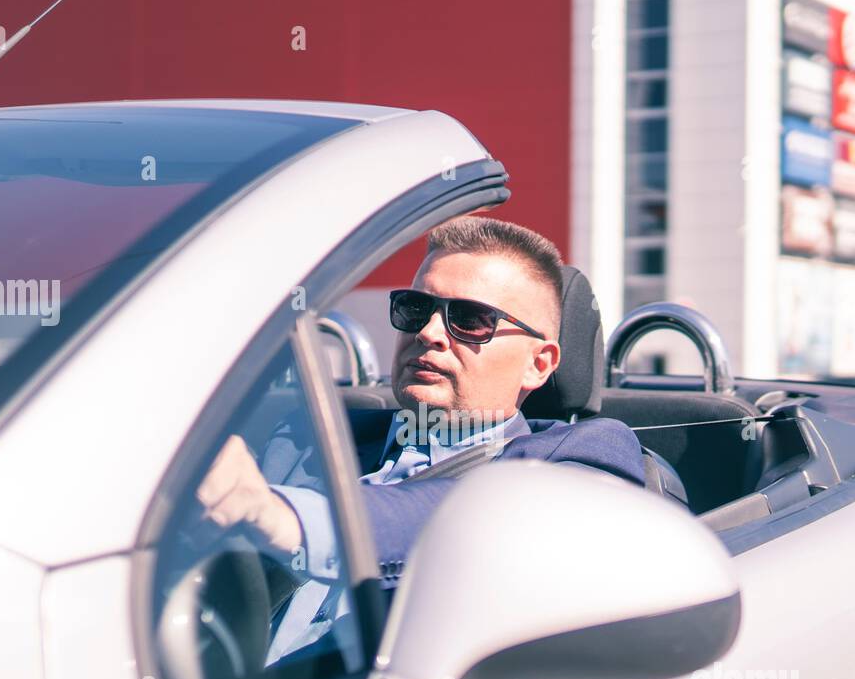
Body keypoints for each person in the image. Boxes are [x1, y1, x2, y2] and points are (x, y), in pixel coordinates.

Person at [196, 216, 646, 593]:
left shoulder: (583, 457)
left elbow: (480, 516)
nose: (428, 332)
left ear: (538, 364)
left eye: (470, 319)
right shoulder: (309, 436)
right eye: (416, 307)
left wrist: (282, 515)